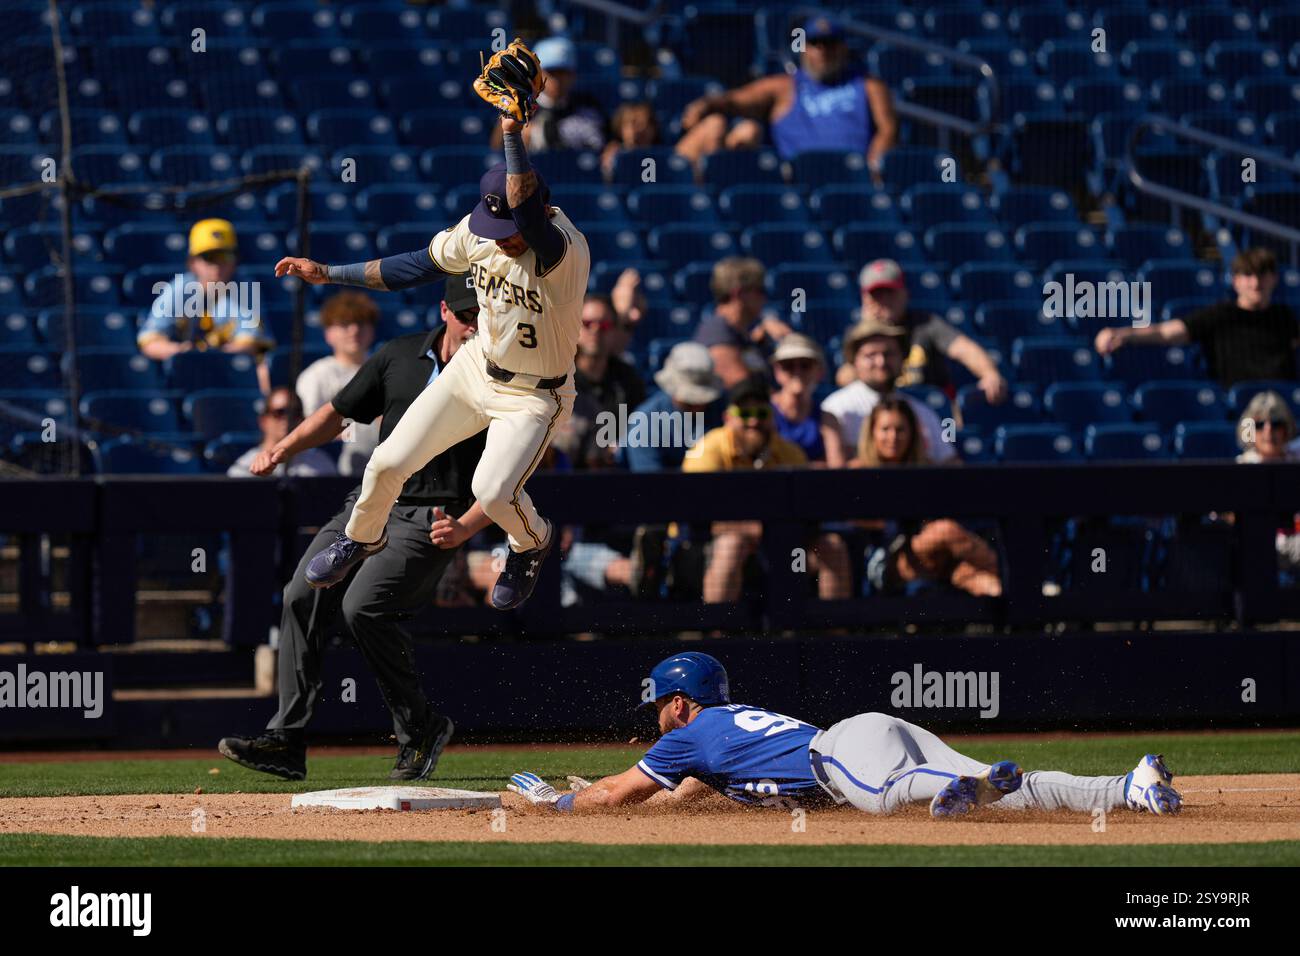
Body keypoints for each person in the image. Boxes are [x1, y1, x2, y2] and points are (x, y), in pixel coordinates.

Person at [274, 59, 590, 612]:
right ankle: (363, 535)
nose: (502, 239)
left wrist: (513, 132)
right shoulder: (483, 230)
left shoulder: (563, 248)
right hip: (475, 367)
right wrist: (329, 272)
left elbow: (528, 219)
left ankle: (532, 542)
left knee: (492, 493)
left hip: (534, 395)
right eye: (496, 227)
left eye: (510, 228)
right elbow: (411, 267)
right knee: (386, 461)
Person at [216, 275, 486, 782]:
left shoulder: (498, 371)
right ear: (445, 312)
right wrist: (284, 448)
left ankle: (419, 728)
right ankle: (286, 740)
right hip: (370, 503)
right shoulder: (401, 355)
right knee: (301, 593)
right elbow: (339, 413)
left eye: (482, 314)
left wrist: (469, 525)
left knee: (363, 608)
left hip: (434, 515)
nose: (475, 325)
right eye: (466, 314)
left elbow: (515, 469)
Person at [506, 653, 1183, 817]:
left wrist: (552, 804)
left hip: (841, 755)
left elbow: (616, 796)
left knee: (886, 799)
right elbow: (678, 800)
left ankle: (958, 787)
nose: (654, 713)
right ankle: (1132, 785)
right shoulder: (720, 736)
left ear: (680, 704)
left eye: (659, 704)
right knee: (1020, 792)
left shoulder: (690, 734)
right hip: (869, 732)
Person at [685, 379, 850, 603]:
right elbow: (700, 514)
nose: (754, 421)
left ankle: (831, 631)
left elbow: (807, 513)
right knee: (732, 545)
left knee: (830, 548)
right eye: (745, 413)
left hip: (787, 554)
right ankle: (717, 631)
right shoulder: (708, 450)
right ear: (728, 418)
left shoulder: (790, 453)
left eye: (761, 412)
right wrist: (754, 528)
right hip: (708, 550)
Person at [675, 16, 897, 171]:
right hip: (800, 180)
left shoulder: (868, 85)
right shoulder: (784, 86)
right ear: (803, 47)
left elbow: (888, 129)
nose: (822, 51)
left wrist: (874, 166)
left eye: (829, 44)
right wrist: (706, 104)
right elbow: (735, 100)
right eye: (815, 44)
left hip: (854, 174)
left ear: (842, 48)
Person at [851, 397, 1002, 597]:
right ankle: (1018, 578)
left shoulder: (924, 468)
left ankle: (1023, 604)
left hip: (931, 554)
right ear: (872, 432)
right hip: (884, 560)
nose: (893, 437)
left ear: (912, 433)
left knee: (976, 578)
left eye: (900, 429)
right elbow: (860, 521)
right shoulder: (857, 471)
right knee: (946, 531)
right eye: (885, 429)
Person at [1094, 247, 1299, 388]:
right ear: (1236, 281)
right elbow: (1168, 332)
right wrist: (1121, 333)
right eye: (1248, 275)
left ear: (1274, 279)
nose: (1255, 283)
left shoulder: (1284, 317)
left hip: (1283, 409)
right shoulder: (1220, 315)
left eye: (1262, 274)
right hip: (1242, 412)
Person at [842, 259, 1007, 403]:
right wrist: (869, 327)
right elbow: (844, 379)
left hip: (935, 408)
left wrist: (989, 374)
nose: (884, 301)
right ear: (865, 300)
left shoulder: (926, 324)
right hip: (887, 414)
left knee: (950, 432)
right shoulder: (858, 335)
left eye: (890, 293)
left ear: (904, 294)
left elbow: (965, 349)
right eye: (877, 295)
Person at [138, 218, 274, 390]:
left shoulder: (245, 289)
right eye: (208, 257)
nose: (216, 265)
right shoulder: (179, 289)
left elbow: (249, 344)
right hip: (186, 375)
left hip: (231, 375)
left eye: (224, 256)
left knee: (264, 369)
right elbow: (149, 343)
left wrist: (208, 356)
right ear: (192, 262)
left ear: (235, 260)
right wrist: (184, 351)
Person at [820, 317, 958, 468]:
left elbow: (949, 463)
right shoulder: (835, 408)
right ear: (854, 360)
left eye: (889, 354)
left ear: (902, 358)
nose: (881, 362)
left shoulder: (923, 412)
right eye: (871, 355)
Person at [294, 291, 381, 476]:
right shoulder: (317, 374)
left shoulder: (385, 368)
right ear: (328, 333)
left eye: (361, 323)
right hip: (336, 468)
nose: (354, 331)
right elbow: (310, 428)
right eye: (344, 324)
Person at [561, 293, 647, 469]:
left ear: (614, 331)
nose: (596, 330)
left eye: (604, 325)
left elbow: (641, 431)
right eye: (587, 324)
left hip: (615, 475)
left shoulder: (628, 380)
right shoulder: (558, 377)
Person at [492, 36, 607, 153]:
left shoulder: (589, 105)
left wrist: (611, 148)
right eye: (551, 72)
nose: (557, 79)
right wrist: (516, 141)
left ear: (573, 75)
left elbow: (609, 142)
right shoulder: (519, 108)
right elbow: (497, 152)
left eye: (563, 73)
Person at [626, 342, 725, 473]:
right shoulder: (644, 424)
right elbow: (650, 487)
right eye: (688, 403)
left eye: (703, 401)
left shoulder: (724, 408)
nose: (698, 407)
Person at [693, 257, 791, 388]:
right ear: (739, 293)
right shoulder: (716, 333)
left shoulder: (739, 333)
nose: (765, 299)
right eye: (760, 291)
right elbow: (743, 391)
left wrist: (762, 341)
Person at [226, 388, 337, 478]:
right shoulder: (243, 468)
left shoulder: (321, 464)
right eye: (280, 412)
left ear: (303, 420)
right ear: (263, 421)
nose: (288, 419)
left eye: (295, 412)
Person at [769, 333, 827, 462]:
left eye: (805, 365)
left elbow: (837, 469)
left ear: (819, 371)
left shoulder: (827, 419)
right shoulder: (765, 412)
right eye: (788, 365)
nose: (797, 372)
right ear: (777, 372)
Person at [600, 101, 660, 179]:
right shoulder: (613, 155)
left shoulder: (665, 161)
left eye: (646, 123)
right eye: (633, 122)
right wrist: (608, 168)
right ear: (620, 128)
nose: (640, 129)